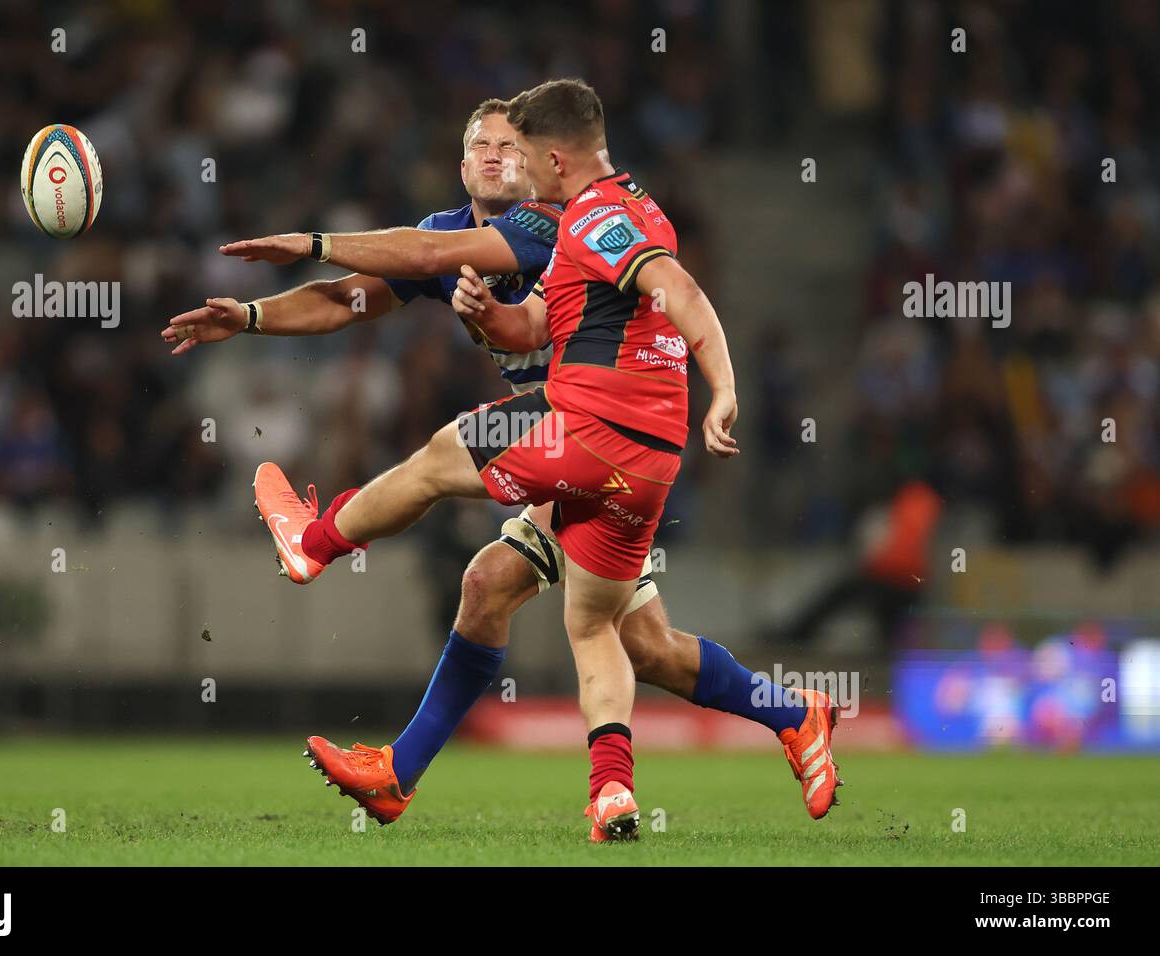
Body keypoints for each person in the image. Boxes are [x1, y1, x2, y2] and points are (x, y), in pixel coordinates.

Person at [163, 92, 841, 840]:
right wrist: (252, 316)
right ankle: (765, 726)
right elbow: (353, 300)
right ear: (461, 167)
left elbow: (429, 258)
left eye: (507, 145)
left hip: (583, 425)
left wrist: (314, 240)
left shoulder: (554, 221)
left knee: (453, 484)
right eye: (479, 145)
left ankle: (315, 543)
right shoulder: (466, 232)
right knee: (604, 629)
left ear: (540, 160)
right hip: (612, 443)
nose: (493, 156)